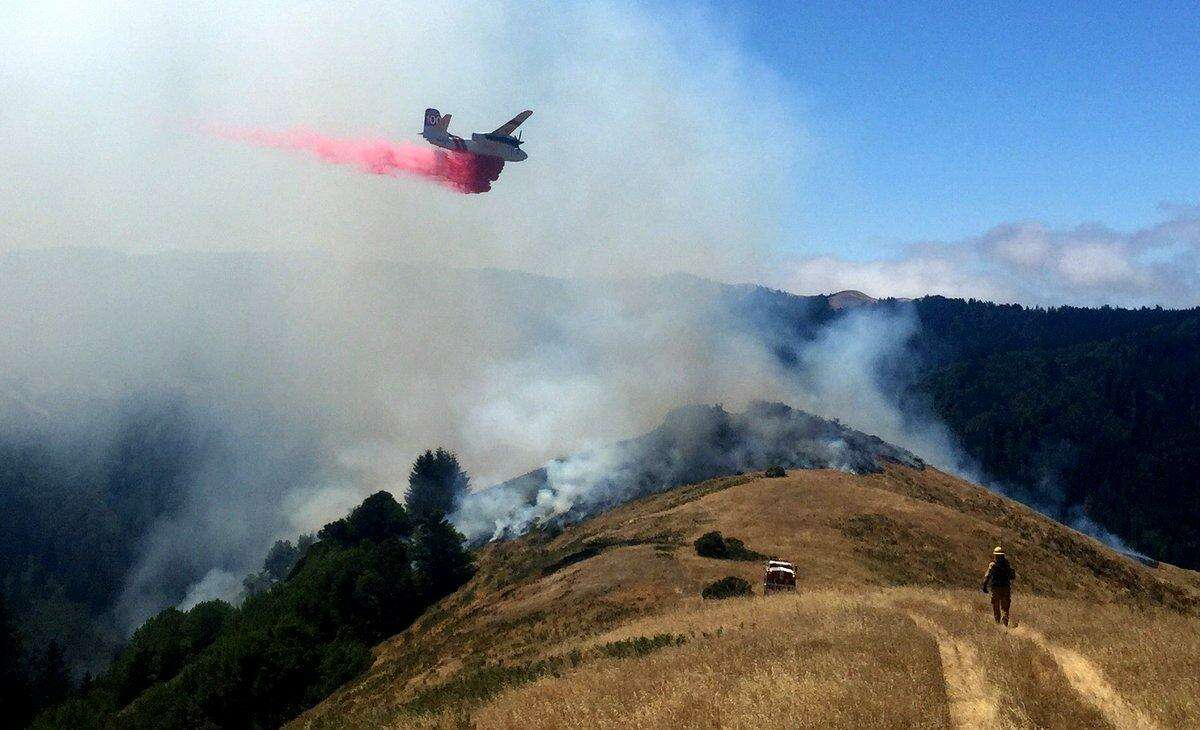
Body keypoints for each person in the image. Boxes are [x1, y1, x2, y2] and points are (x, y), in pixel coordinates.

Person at [981, 546, 1015, 626]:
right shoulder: (1007, 564)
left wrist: (984, 586)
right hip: (1006, 588)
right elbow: (1012, 576)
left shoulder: (992, 565)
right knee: (1005, 606)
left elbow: (987, 576)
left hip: (996, 588)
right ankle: (1005, 623)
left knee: (996, 605)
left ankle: (997, 622)